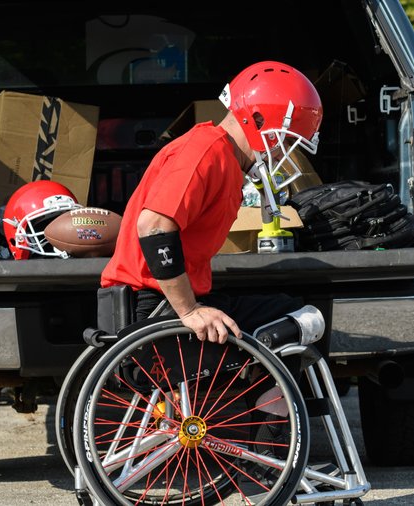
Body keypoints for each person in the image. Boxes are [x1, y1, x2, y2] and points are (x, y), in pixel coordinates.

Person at [99, 60, 323, 344]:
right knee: (300, 317)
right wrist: (189, 310)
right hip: (151, 306)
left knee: (287, 311)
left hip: (163, 298)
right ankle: (275, 390)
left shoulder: (227, 160)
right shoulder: (204, 151)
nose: (281, 155)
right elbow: (154, 226)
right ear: (257, 121)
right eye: (283, 141)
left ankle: (265, 388)